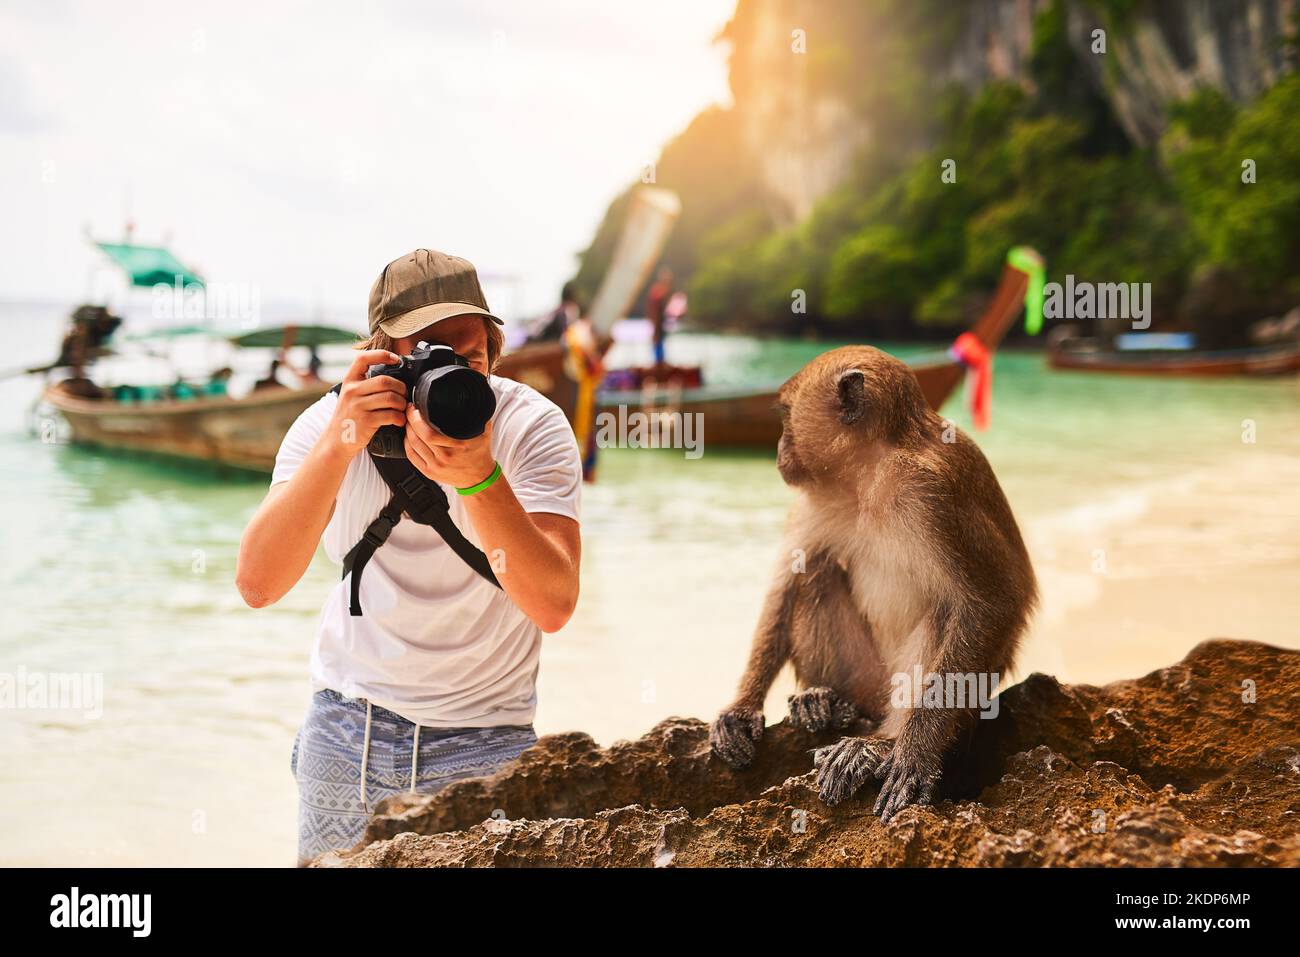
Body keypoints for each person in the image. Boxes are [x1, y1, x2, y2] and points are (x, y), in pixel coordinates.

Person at [236, 249, 582, 865]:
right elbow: (259, 585)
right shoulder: (329, 424)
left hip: (487, 740)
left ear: (493, 355)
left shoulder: (529, 426)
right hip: (347, 730)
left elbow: (553, 604)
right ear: (380, 356)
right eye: (426, 355)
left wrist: (480, 479)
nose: (448, 374)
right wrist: (339, 447)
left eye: (467, 357)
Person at [646, 265, 673, 366]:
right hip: (657, 321)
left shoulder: (660, 290)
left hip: (660, 322)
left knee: (659, 341)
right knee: (657, 340)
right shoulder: (658, 290)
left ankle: (660, 361)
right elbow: (654, 306)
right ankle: (658, 362)